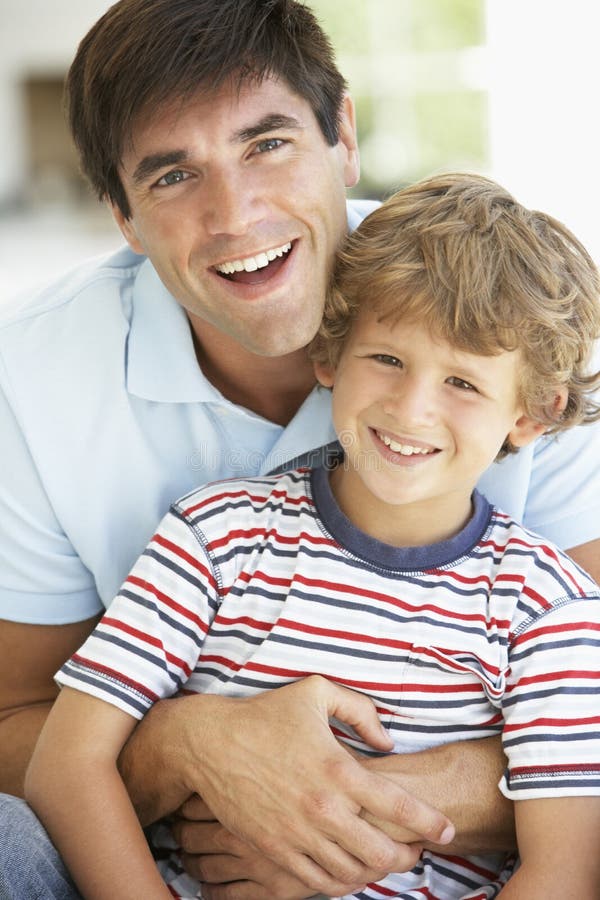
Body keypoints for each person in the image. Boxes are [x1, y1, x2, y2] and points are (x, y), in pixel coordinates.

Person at [1, 0, 600, 897]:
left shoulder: (505, 323)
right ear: (122, 215)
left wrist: (329, 805)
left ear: (343, 136)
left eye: (268, 144)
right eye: (173, 175)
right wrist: (193, 747)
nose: (235, 215)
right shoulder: (60, 401)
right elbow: (24, 724)